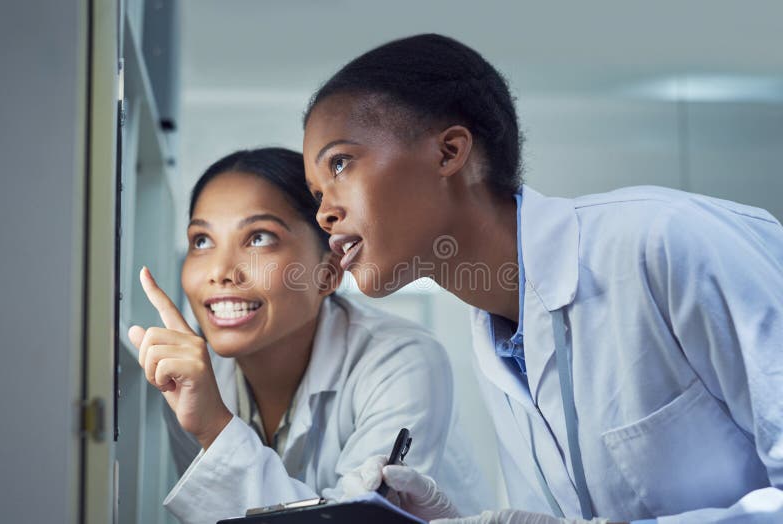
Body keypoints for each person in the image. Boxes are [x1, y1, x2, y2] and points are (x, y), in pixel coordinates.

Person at [301, 34, 783, 523]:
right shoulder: (498, 338)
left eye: (340, 163)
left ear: (448, 152)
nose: (323, 214)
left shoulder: (665, 240)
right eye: (317, 193)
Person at [127, 148, 490, 524]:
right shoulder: (192, 380)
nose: (219, 271)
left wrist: (215, 429)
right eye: (201, 241)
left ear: (328, 273)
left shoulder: (402, 360)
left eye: (259, 238)